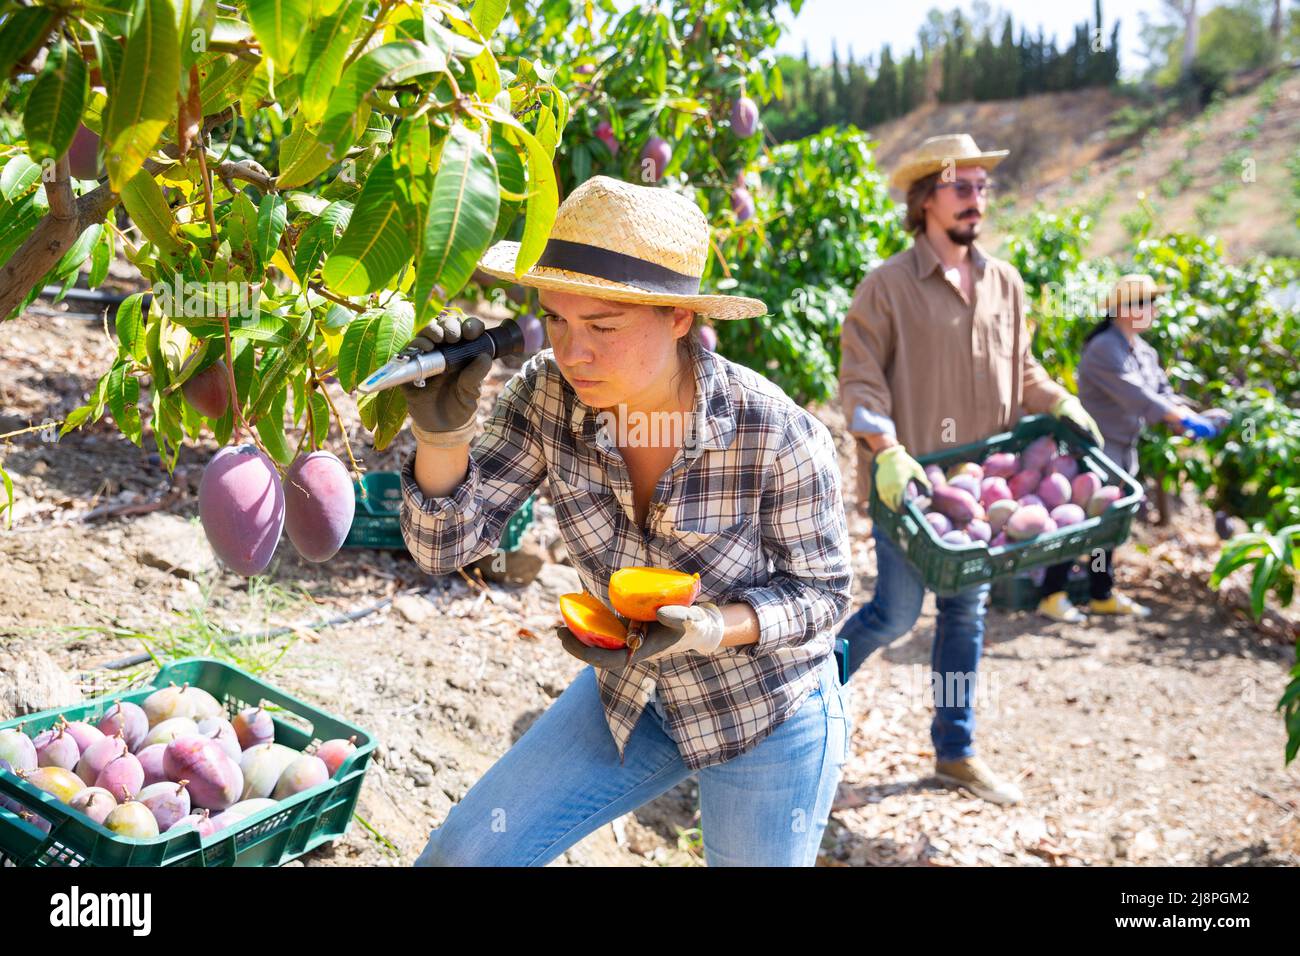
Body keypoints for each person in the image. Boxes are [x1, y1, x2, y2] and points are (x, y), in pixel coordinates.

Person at [399, 176, 854, 866]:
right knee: (463, 857)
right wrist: (441, 441)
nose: (574, 352)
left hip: (765, 709)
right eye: (556, 319)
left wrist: (711, 628)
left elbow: (823, 596)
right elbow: (444, 550)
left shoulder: (773, 432)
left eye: (604, 327)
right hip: (631, 697)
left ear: (679, 318)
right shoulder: (547, 397)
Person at [836, 134, 1103, 807]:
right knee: (893, 617)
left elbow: (1024, 371)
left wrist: (1061, 399)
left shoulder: (1005, 283)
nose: (976, 199)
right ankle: (797, 701)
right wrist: (886, 448)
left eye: (983, 187)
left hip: (986, 494)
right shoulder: (887, 287)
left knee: (965, 616)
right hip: (913, 489)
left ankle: (955, 752)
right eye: (962, 186)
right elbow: (862, 384)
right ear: (926, 199)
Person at [1037, 274, 1222, 623]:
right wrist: (1180, 418)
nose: (1153, 309)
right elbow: (1137, 396)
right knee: (1081, 519)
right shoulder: (1105, 348)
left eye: (1153, 302)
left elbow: (1163, 394)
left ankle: (1100, 593)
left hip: (1122, 450)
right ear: (1122, 309)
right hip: (1096, 449)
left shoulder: (1143, 351)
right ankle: (1052, 592)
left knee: (1107, 525)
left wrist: (1192, 417)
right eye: (1145, 302)